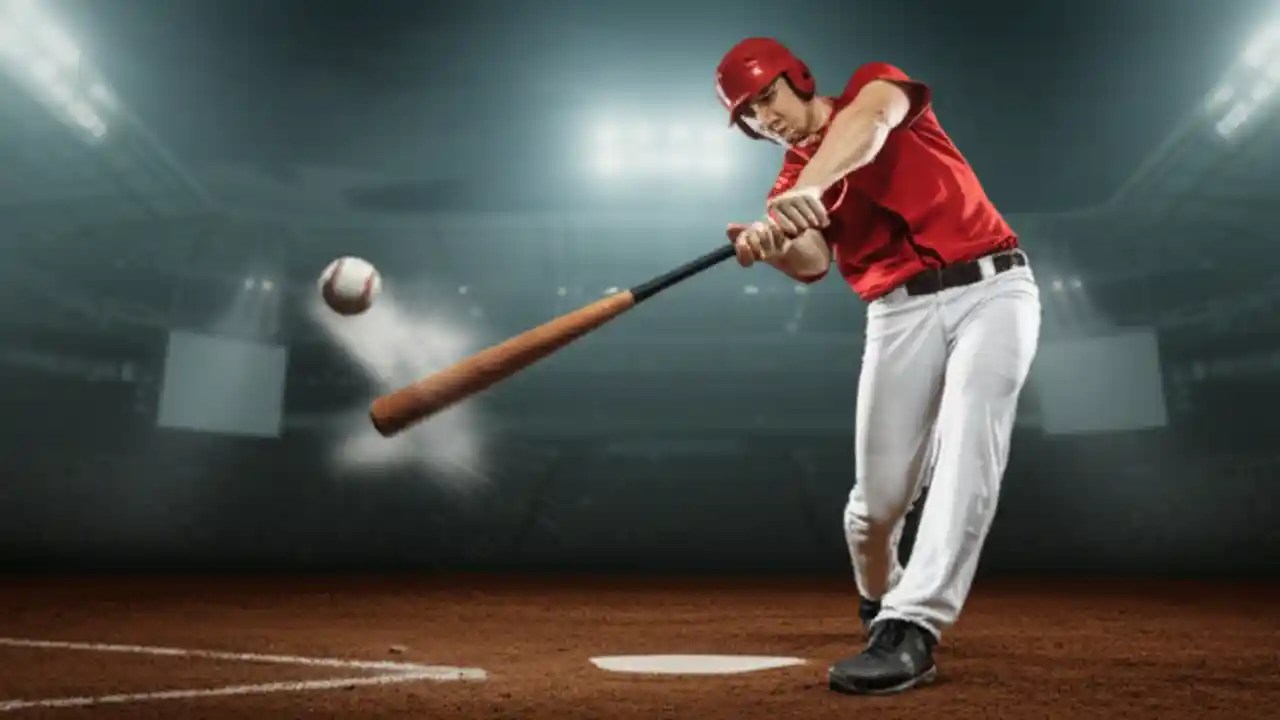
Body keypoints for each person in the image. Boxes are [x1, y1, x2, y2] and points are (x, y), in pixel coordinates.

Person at [715, 37, 1041, 695]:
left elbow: (867, 127)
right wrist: (770, 246)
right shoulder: (785, 186)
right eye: (749, 114)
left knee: (969, 443)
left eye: (769, 96)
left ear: (798, 76)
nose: (765, 118)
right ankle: (881, 599)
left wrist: (808, 187)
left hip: (993, 289)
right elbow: (812, 260)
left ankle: (913, 625)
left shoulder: (874, 87)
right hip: (897, 315)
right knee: (876, 508)